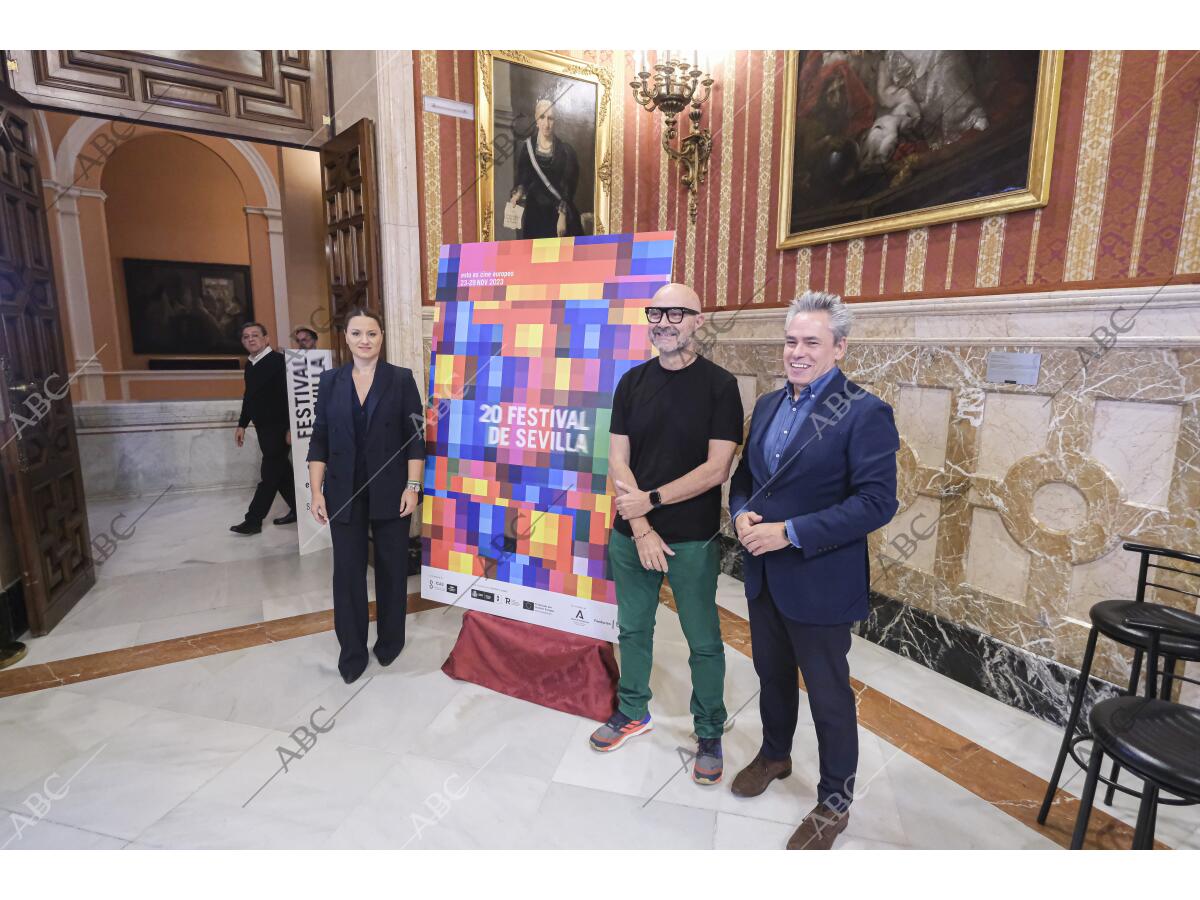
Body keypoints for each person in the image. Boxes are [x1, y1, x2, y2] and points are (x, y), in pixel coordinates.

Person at [728, 290, 899, 850]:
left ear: (839, 347)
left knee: (828, 694)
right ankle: (775, 755)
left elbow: (876, 503)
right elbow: (746, 480)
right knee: (771, 675)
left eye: (811, 342)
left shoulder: (865, 412)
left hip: (820, 579)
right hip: (764, 575)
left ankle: (834, 801)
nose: (797, 352)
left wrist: (789, 532)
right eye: (790, 341)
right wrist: (740, 513)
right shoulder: (769, 405)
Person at [589, 282, 744, 786]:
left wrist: (651, 501)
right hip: (631, 535)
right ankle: (632, 710)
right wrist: (639, 526)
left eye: (677, 313)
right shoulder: (631, 382)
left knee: (703, 640)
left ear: (699, 320)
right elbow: (618, 459)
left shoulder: (720, 386)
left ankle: (709, 730)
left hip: (691, 538)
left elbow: (717, 469)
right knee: (634, 630)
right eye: (656, 313)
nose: (664, 323)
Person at [307, 309, 425, 684]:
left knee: (392, 570)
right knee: (347, 574)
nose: (364, 340)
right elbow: (320, 439)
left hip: (392, 490)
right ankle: (352, 652)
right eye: (357, 333)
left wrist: (413, 487)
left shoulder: (401, 379)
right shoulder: (330, 381)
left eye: (371, 333)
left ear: (381, 337)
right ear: (346, 337)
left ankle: (390, 642)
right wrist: (316, 492)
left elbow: (415, 439)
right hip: (342, 491)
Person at [231, 323, 296, 534]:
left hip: (280, 429)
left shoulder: (280, 361)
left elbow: (290, 397)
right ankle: (299, 509)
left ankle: (253, 520)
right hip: (263, 428)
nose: (250, 339)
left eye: (255, 335)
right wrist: (242, 424)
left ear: (266, 339)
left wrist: (291, 428)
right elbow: (249, 396)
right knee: (281, 472)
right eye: (246, 336)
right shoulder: (250, 364)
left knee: (269, 474)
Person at [509, 96, 583, 239]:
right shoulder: (527, 148)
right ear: (536, 120)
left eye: (551, 118)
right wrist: (517, 194)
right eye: (542, 117)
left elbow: (568, 189)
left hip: (558, 212)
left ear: (555, 121)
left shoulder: (566, 151)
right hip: (535, 214)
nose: (546, 124)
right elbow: (523, 179)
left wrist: (562, 216)